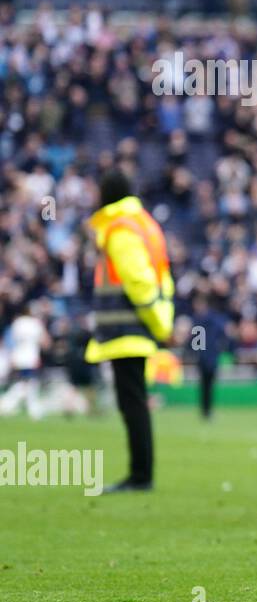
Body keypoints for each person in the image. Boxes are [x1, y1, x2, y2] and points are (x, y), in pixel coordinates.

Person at [85, 169, 175, 492]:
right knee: (134, 400)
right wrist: (162, 318)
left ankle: (140, 475)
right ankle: (141, 473)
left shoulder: (120, 229)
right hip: (140, 325)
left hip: (125, 327)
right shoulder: (147, 225)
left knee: (132, 402)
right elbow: (161, 277)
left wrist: (155, 319)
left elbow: (138, 281)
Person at [189, 291, 229, 422]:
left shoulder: (201, 320)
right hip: (207, 357)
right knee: (206, 386)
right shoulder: (207, 320)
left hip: (208, 356)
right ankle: (206, 411)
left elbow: (196, 342)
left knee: (207, 386)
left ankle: (206, 411)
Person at [1, 304, 47, 420]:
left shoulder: (18, 322)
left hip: (18, 356)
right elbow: (44, 341)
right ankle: (30, 409)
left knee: (24, 383)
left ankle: (9, 405)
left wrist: (11, 356)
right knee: (29, 384)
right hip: (31, 357)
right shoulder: (35, 323)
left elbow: (11, 340)